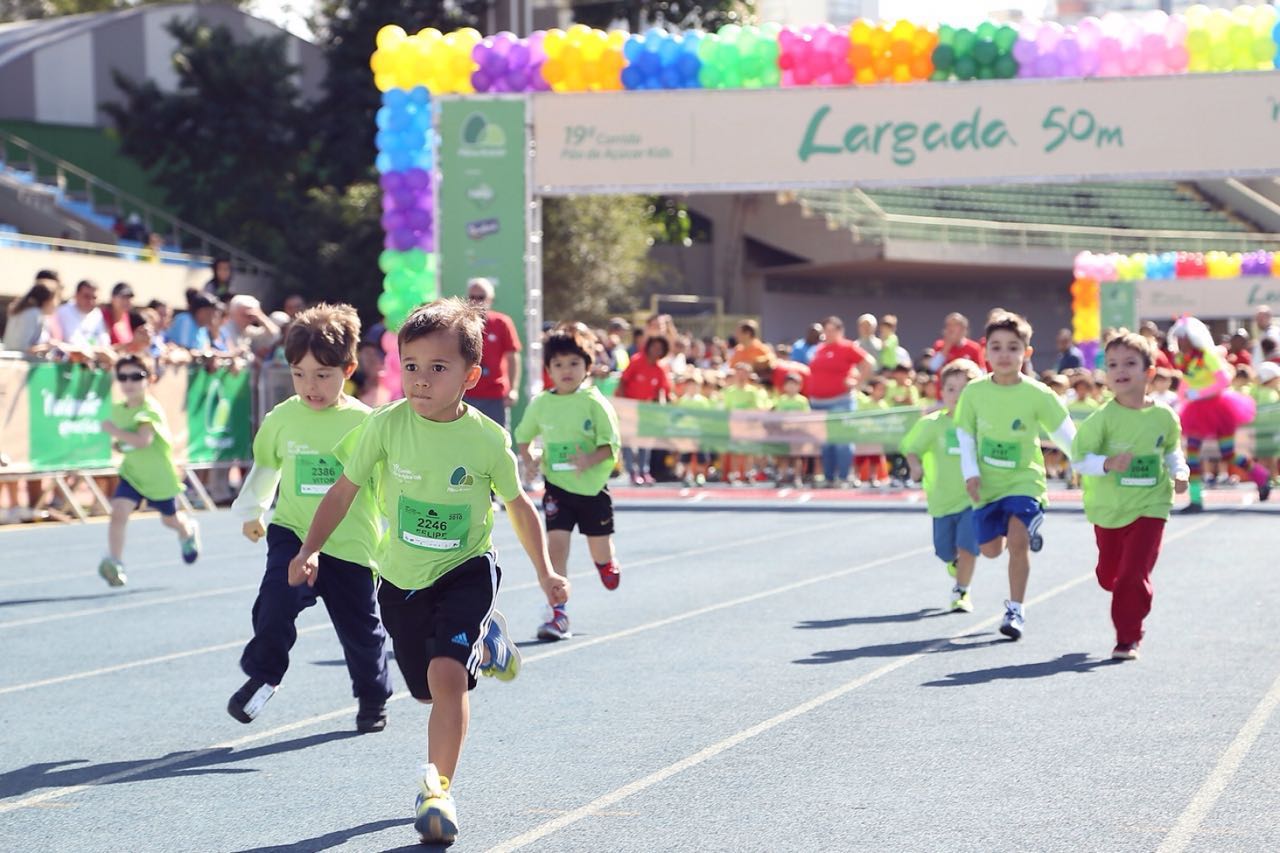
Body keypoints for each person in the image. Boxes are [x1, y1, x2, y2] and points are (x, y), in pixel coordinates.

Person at [285, 298, 569, 845]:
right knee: (423, 692)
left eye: (438, 368)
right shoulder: (385, 426)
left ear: (471, 376)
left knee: (445, 679)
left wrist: (546, 572)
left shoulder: (487, 439)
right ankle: (487, 642)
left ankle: (437, 790)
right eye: (411, 366)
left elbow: (518, 506)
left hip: (466, 569)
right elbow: (343, 490)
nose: (420, 380)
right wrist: (311, 548)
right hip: (399, 578)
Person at [227, 304, 392, 730]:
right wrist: (252, 511)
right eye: (300, 374)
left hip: (350, 543)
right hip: (293, 532)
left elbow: (388, 484)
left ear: (349, 368)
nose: (310, 386)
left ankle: (373, 698)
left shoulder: (367, 423)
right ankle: (264, 674)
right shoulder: (282, 418)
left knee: (360, 631)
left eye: (323, 375)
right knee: (275, 604)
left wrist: (395, 538)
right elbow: (266, 467)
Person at [955, 311, 1075, 640]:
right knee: (992, 550)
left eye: (1012, 347)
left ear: (1027, 352)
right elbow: (965, 436)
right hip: (988, 485)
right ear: (986, 352)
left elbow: (1068, 439)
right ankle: (1015, 526)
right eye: (996, 347)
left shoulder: (1038, 394)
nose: (1004, 354)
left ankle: (1016, 610)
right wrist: (971, 473)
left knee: (1018, 543)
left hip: (1025, 482)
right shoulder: (974, 393)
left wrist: (1093, 464)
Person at [1073, 332, 1189, 661]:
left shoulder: (1164, 416)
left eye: (1129, 363)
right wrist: (1107, 464)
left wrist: (1181, 473)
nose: (1120, 370)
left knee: (1132, 574)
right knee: (1111, 576)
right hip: (1109, 509)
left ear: (1149, 371)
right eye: (1112, 365)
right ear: (1105, 374)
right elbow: (1079, 460)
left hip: (1151, 505)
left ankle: (1128, 637)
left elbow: (1171, 452)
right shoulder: (1102, 420)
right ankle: (1128, 595)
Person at [514, 327, 622, 642]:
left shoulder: (595, 402)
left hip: (592, 490)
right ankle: (558, 613)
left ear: (587, 367)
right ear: (548, 370)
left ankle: (605, 562)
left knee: (599, 549)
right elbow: (524, 437)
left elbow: (610, 446)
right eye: (558, 365)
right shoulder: (541, 403)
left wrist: (588, 459)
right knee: (556, 547)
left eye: (574, 363)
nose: (566, 371)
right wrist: (530, 459)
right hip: (557, 488)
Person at [97, 355, 200, 586]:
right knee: (118, 512)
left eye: (136, 376)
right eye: (123, 377)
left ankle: (187, 530)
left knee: (170, 521)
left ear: (150, 379)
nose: (129, 382)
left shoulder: (150, 408)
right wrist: (118, 443)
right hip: (133, 473)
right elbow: (127, 441)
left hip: (158, 477)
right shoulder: (118, 408)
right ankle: (115, 561)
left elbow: (143, 440)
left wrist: (113, 431)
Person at [902, 358, 983, 613]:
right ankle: (954, 563)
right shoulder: (931, 424)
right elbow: (911, 449)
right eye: (951, 389)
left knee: (968, 547)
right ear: (942, 392)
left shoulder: (983, 425)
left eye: (965, 389)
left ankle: (961, 591)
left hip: (974, 499)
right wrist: (914, 465)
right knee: (945, 551)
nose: (957, 395)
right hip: (941, 501)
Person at [1168, 315, 1270, 511]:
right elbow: (1186, 382)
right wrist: (1180, 401)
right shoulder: (1183, 359)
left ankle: (1260, 476)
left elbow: (1223, 380)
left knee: (1229, 454)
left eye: (1184, 337)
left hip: (1218, 409)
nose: (1181, 342)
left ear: (1193, 338)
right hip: (1196, 412)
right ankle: (1196, 500)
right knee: (1193, 455)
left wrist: (1198, 393)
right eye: (1178, 337)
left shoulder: (1207, 356)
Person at [807, 316, 872, 487]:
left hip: (840, 401)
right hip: (818, 402)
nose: (827, 334)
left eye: (831, 330)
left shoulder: (847, 347)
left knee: (842, 440)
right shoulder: (819, 349)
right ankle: (829, 477)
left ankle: (844, 476)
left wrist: (858, 384)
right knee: (826, 442)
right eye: (825, 330)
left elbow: (868, 362)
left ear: (839, 331)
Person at [462, 277, 521, 430]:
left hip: (495, 396)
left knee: (498, 440)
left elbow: (513, 357)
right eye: (472, 297)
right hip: (465, 394)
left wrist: (513, 389)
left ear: (490, 299)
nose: (476, 301)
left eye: (481, 297)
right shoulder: (460, 324)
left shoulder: (502, 322)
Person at [616, 334, 671, 485]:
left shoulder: (660, 368)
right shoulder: (636, 361)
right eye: (654, 346)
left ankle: (644, 471)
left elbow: (661, 391)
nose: (656, 350)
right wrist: (621, 404)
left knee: (645, 442)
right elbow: (623, 381)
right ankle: (632, 472)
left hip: (647, 411)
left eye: (660, 348)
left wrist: (660, 408)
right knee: (628, 441)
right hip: (629, 408)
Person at [773, 372, 810, 487]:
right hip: (784, 433)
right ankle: (782, 475)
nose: (791, 387)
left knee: (796, 456)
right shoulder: (781, 399)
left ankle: (797, 477)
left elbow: (806, 415)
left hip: (797, 432)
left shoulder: (802, 400)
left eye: (794, 384)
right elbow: (777, 415)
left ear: (799, 386)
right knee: (783, 455)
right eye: (789, 384)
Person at [3, 283, 62, 354]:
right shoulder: (33, 313)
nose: (57, 304)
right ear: (47, 300)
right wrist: (49, 346)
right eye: (56, 299)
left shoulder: (25, 311)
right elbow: (22, 348)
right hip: (20, 362)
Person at [56, 280, 110, 350]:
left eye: (94, 298)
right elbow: (72, 342)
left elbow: (105, 342)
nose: (90, 301)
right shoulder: (63, 312)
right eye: (86, 296)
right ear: (76, 295)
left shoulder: (97, 313)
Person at [102, 283, 135, 347]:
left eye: (129, 297)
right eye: (123, 297)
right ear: (112, 298)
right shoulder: (103, 316)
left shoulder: (126, 316)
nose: (126, 301)